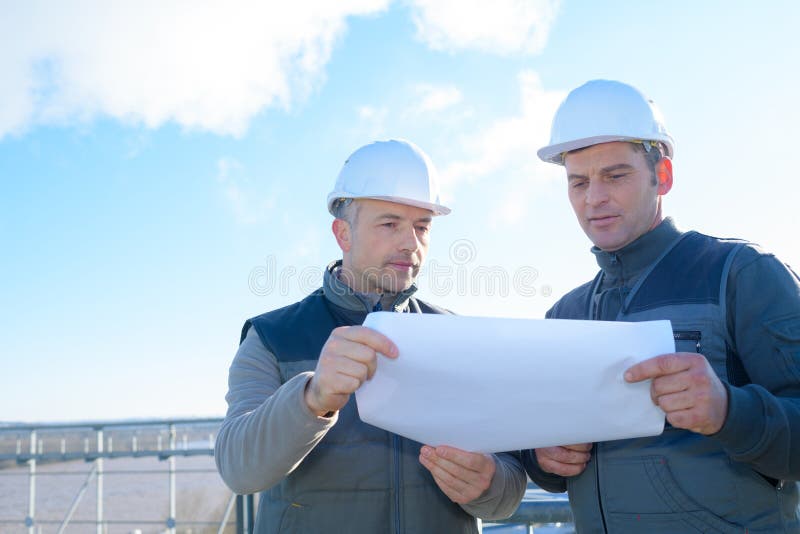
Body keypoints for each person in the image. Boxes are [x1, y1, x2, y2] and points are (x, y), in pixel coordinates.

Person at [523, 80, 800, 532]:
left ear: (663, 176)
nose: (594, 198)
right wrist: (542, 459)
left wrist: (730, 410)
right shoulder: (565, 314)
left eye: (615, 176)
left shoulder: (741, 273)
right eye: (578, 182)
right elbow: (539, 451)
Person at [215, 139, 526, 533]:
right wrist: (312, 399)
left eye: (422, 226)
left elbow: (509, 490)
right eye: (389, 223)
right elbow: (239, 469)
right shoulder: (272, 337)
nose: (410, 243)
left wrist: (489, 483)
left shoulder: (457, 337)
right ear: (343, 233)